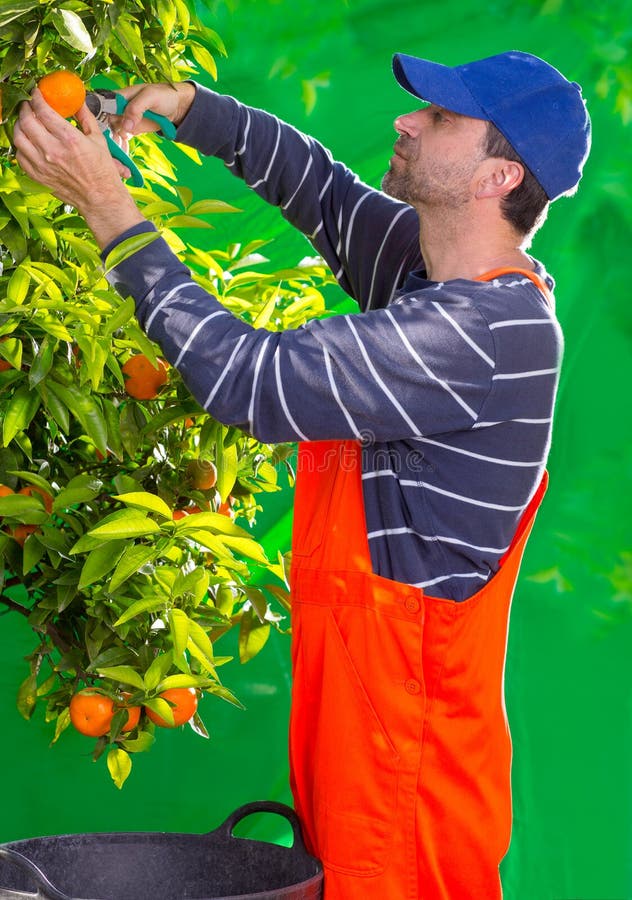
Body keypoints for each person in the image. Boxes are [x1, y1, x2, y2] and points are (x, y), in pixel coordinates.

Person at [14, 48, 590, 899]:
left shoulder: (486, 332)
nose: (406, 120)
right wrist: (189, 106)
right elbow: (318, 187)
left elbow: (250, 380)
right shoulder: (429, 273)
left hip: (407, 783)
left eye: (438, 119)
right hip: (363, 746)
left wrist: (109, 211)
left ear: (496, 177)